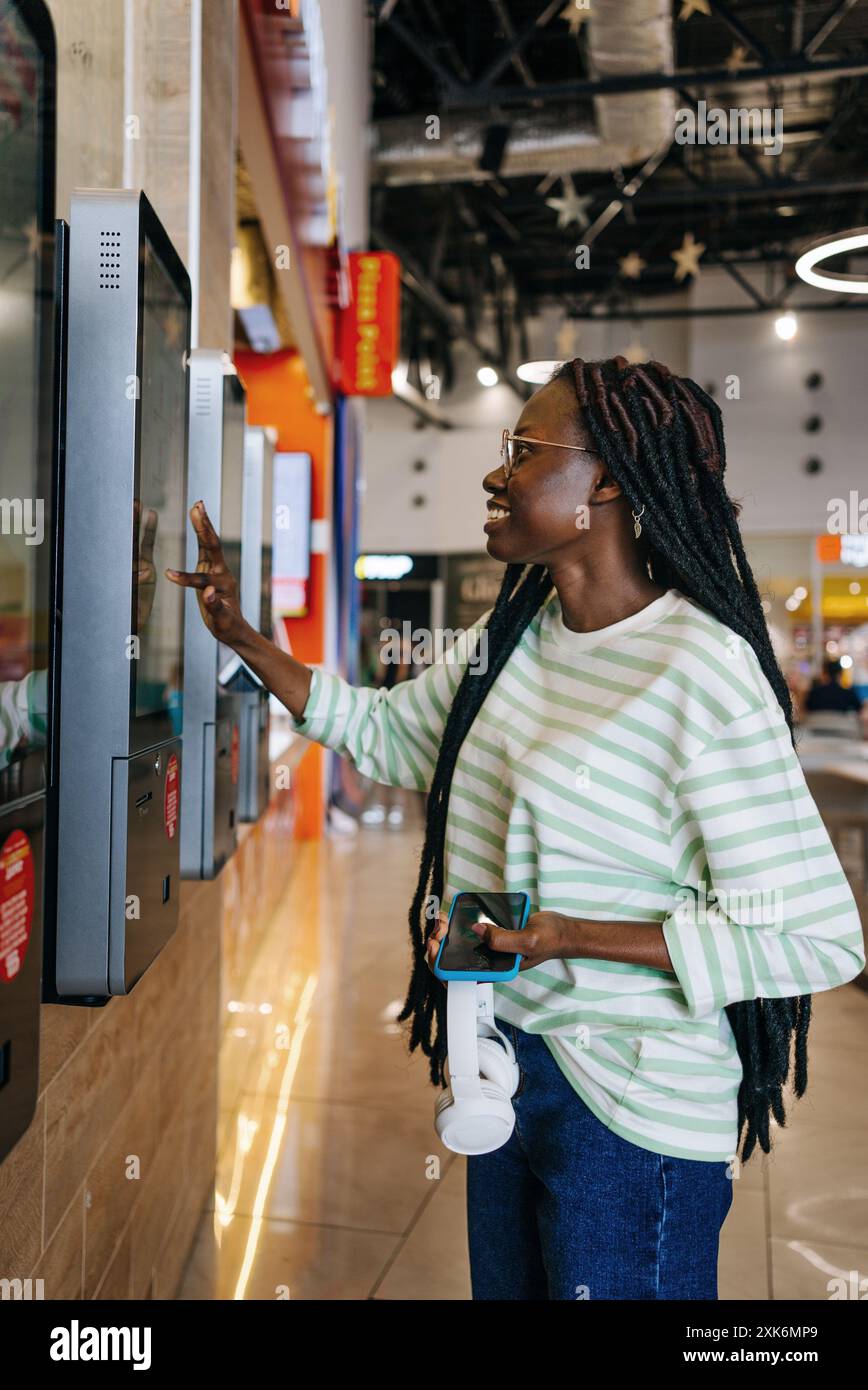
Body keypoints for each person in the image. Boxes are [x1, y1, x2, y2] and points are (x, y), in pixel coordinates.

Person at [167, 356, 866, 1301]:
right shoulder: (513, 635)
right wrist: (243, 639)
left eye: (524, 451)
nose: (496, 475)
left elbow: (814, 935)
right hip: (507, 1064)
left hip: (633, 1114)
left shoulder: (702, 670)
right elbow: (385, 731)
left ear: (608, 480)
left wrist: (568, 939)